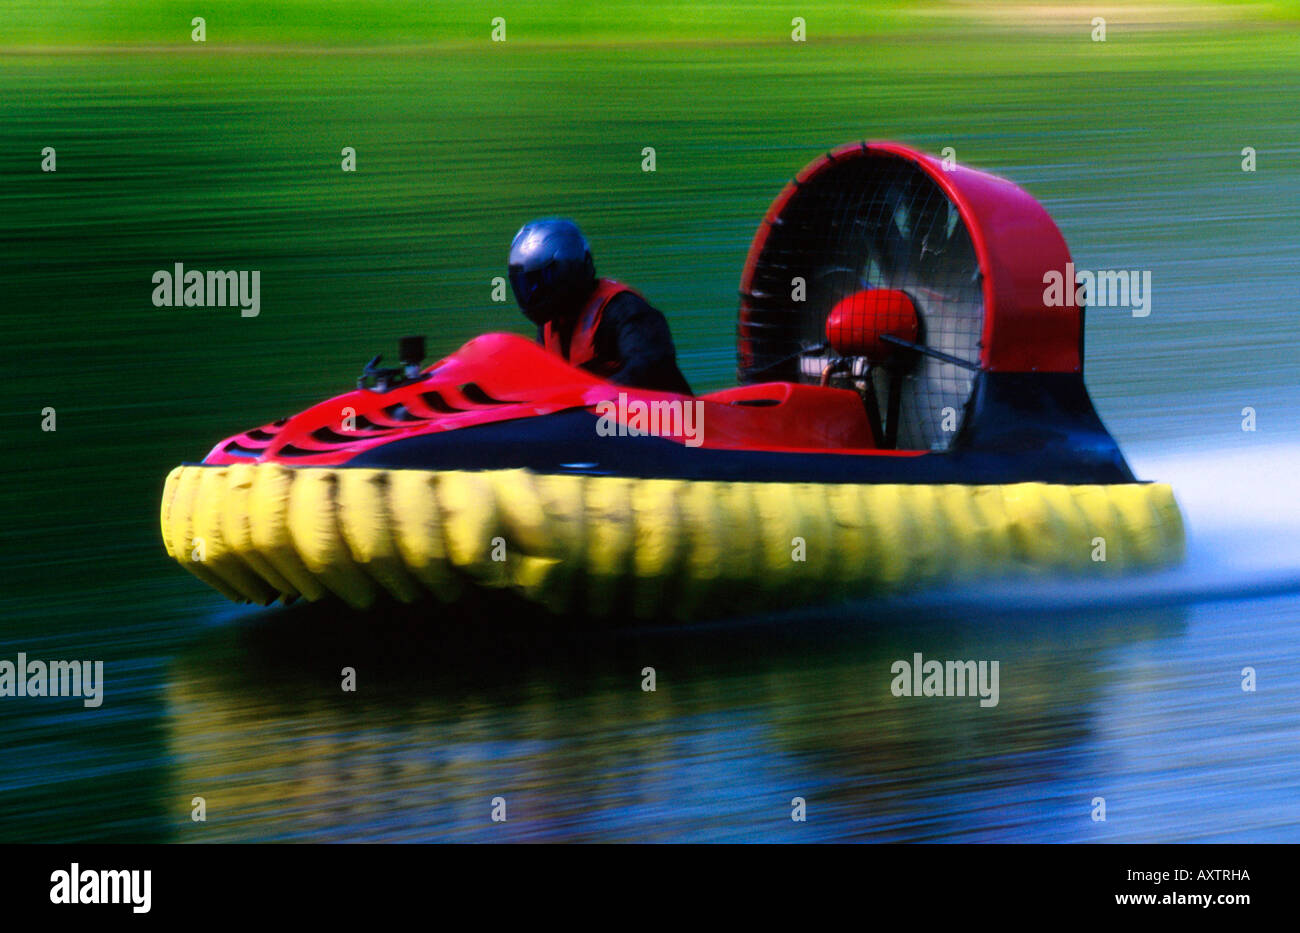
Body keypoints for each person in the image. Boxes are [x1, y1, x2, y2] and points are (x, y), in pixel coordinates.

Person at [507, 218, 693, 395]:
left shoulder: (625, 310)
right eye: (525, 285)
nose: (532, 294)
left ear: (566, 272)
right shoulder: (550, 327)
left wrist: (586, 397)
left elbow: (651, 368)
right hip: (595, 421)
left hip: (665, 421)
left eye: (538, 283)